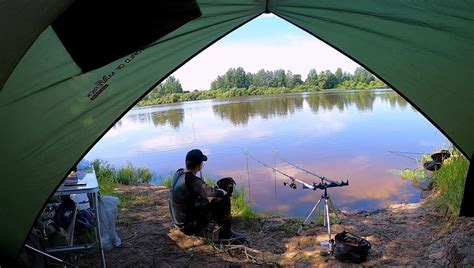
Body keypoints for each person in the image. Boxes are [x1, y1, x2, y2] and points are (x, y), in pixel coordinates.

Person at [168, 149, 245, 241]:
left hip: (178, 222)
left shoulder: (179, 172)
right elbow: (214, 194)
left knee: (210, 200)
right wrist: (224, 192)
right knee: (224, 199)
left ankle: (220, 224)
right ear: (200, 166)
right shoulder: (192, 180)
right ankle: (226, 234)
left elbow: (202, 192)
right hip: (188, 226)